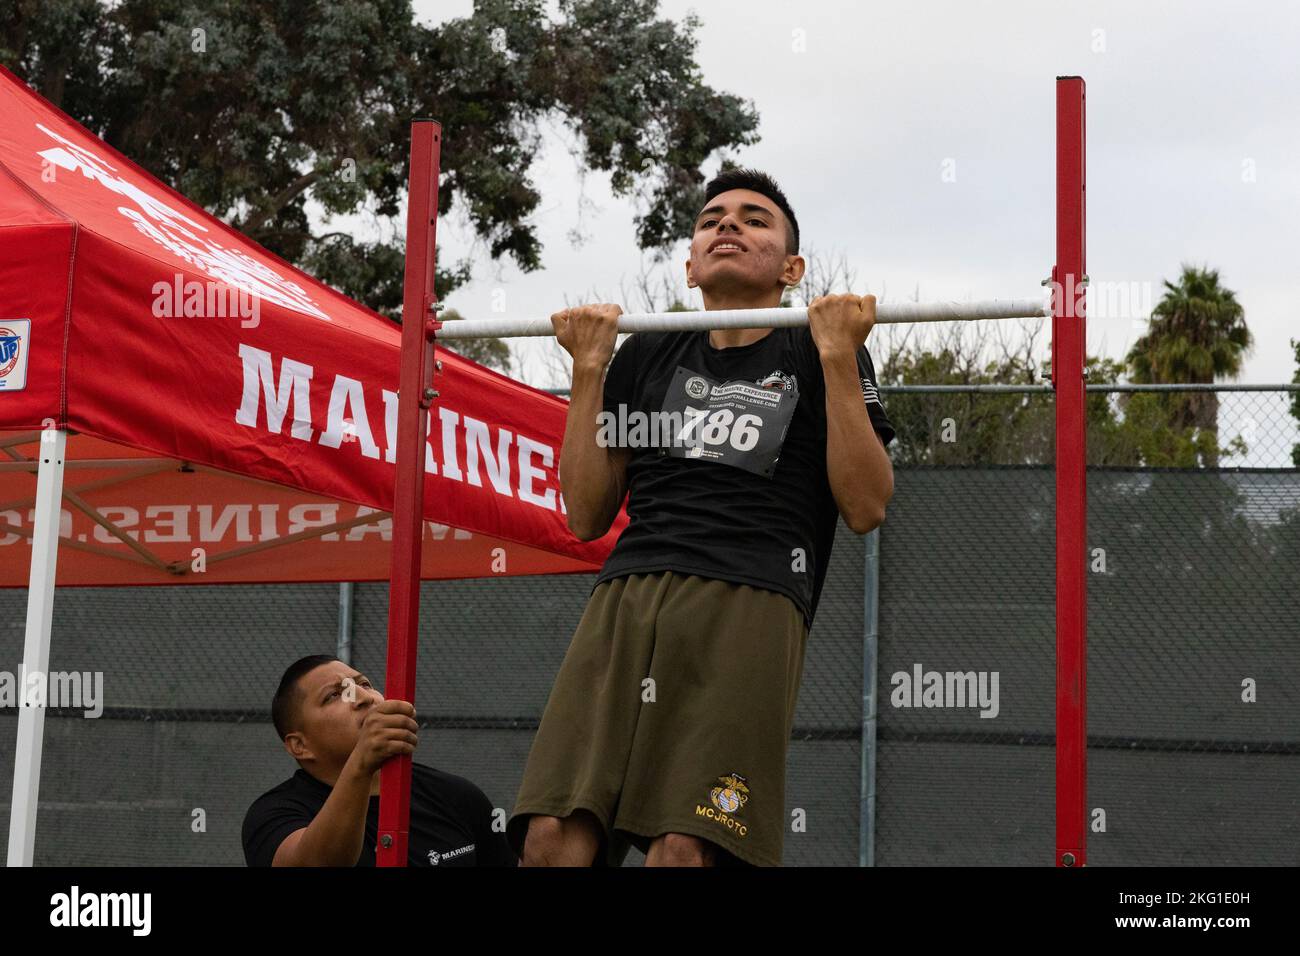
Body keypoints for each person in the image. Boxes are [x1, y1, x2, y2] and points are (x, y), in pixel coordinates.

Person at [506, 168, 896, 867]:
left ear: (791, 266)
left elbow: (866, 507)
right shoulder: (649, 351)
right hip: (628, 594)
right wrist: (589, 372)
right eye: (713, 217)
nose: (729, 225)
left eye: (754, 219)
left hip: (749, 595)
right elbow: (588, 514)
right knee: (552, 838)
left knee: (685, 849)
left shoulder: (818, 349)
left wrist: (839, 357)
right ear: (689, 266)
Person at [243, 654, 515, 867]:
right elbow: (317, 863)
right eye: (334, 695)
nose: (363, 697)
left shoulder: (456, 796)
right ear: (300, 745)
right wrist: (361, 763)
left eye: (364, 684)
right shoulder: (274, 814)